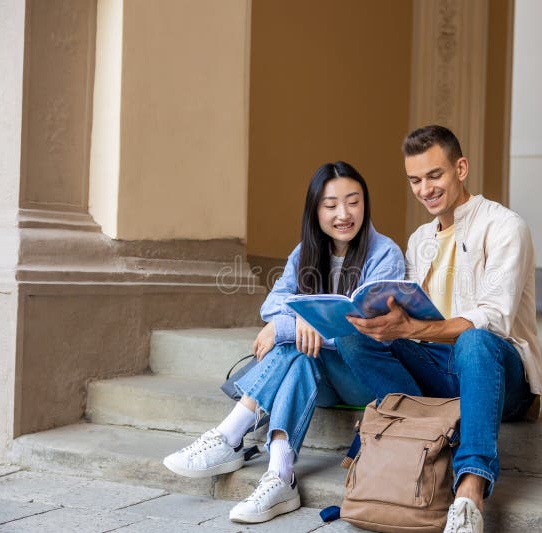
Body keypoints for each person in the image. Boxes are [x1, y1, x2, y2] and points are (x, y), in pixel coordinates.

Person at [162, 161, 405, 524]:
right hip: (318, 377)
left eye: (353, 202)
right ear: (315, 210)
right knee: (300, 357)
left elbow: (363, 329)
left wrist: (286, 328)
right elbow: (272, 304)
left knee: (290, 343)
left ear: (365, 204)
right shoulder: (305, 252)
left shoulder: (385, 254)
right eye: (331, 204)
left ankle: (229, 436)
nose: (344, 213)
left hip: (361, 379)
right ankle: (280, 474)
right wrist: (298, 320)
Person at [336, 125, 542, 533]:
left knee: (475, 340)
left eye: (435, 176)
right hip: (440, 368)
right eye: (415, 180)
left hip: (499, 370)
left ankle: (470, 490)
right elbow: (412, 316)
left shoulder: (504, 226)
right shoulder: (419, 240)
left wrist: (412, 327)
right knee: (352, 335)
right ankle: (418, 430)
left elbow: (494, 320)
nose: (425, 189)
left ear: (460, 168)